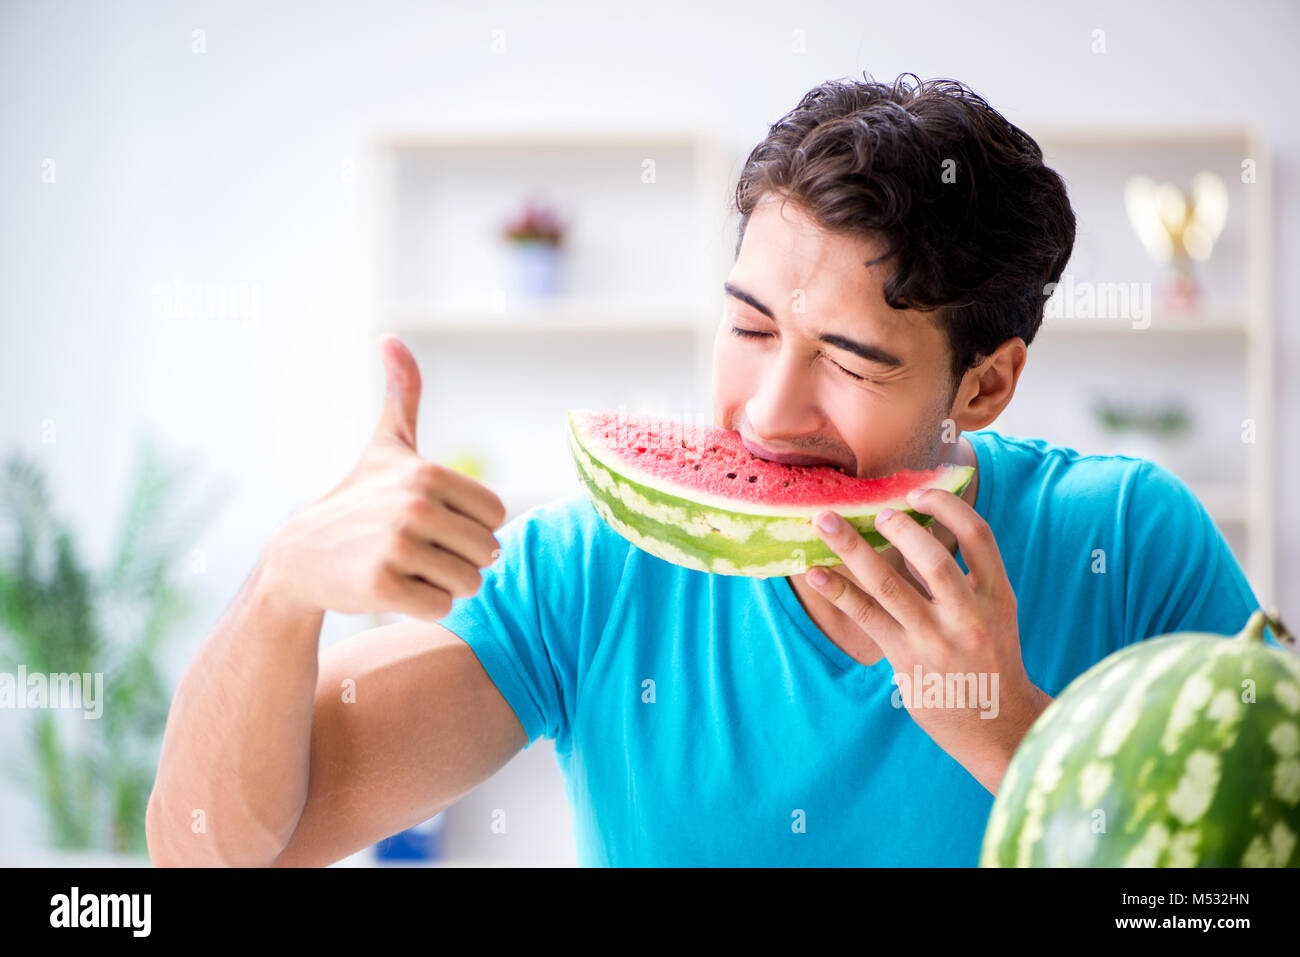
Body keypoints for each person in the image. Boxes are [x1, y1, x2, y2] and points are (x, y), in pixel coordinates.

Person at [146, 72, 1272, 867]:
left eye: (847, 360)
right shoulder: (597, 565)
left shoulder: (1125, 543)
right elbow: (214, 854)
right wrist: (283, 586)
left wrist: (1005, 733)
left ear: (983, 385)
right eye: (747, 327)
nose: (769, 413)